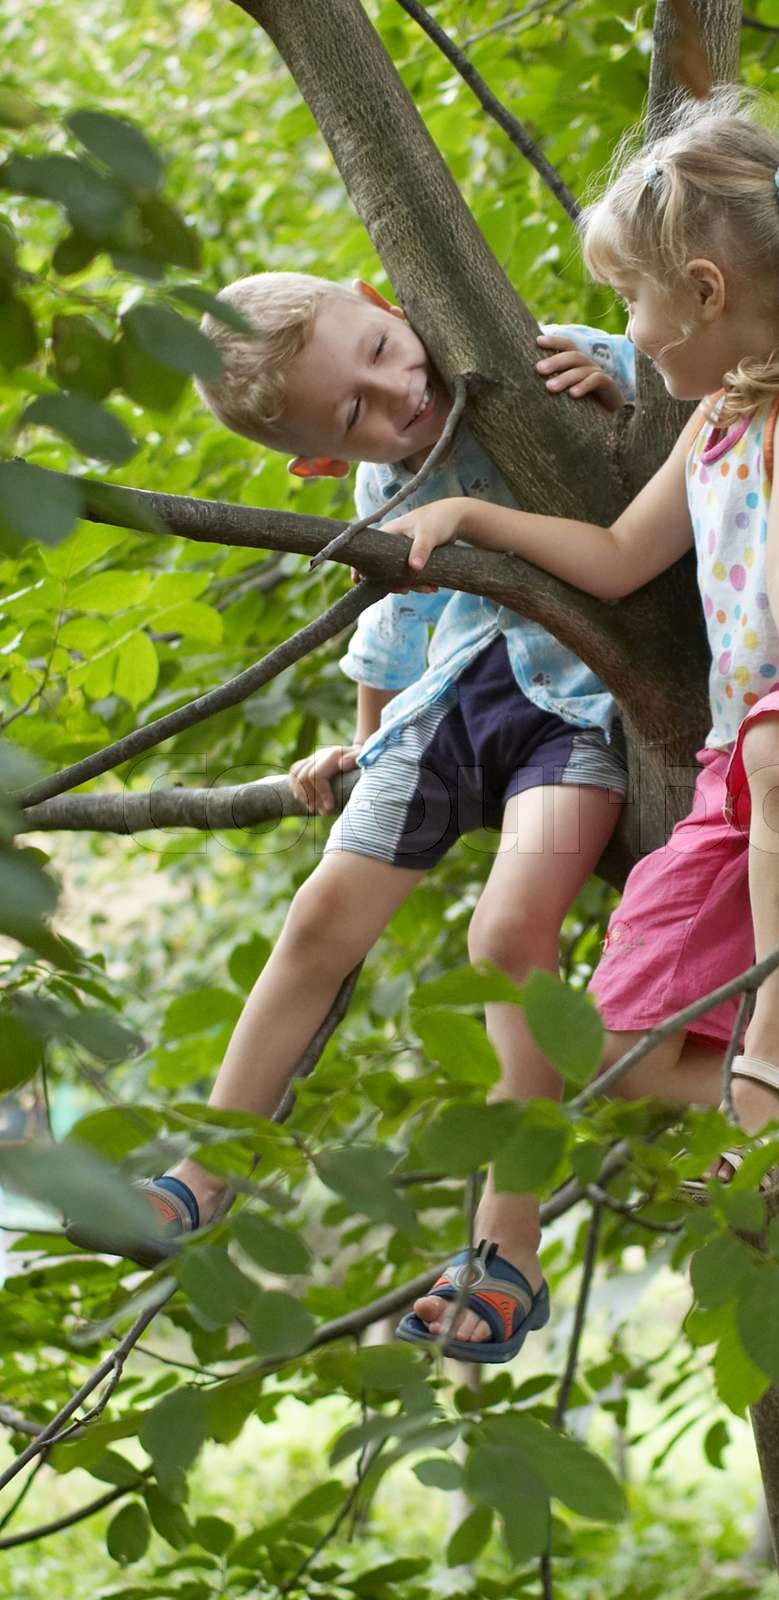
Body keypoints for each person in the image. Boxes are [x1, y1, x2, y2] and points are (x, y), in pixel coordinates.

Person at [383, 92, 779, 1318]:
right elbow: (614, 554)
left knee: (777, 729)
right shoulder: (716, 423)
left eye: (631, 302)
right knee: (598, 1045)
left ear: (704, 292)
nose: (629, 331)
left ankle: (772, 1058)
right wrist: (469, 521)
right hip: (749, 783)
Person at [69, 272, 634, 1363]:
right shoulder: (382, 478)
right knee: (320, 920)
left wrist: (613, 381)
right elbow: (392, 624)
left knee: (507, 938)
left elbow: (675, 420)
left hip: (580, 715)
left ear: (383, 299)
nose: (394, 400)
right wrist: (363, 740)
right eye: (353, 417)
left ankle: (504, 1247)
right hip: (459, 702)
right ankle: (206, 1168)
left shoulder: (544, 354)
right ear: (321, 459)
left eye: (382, 351)